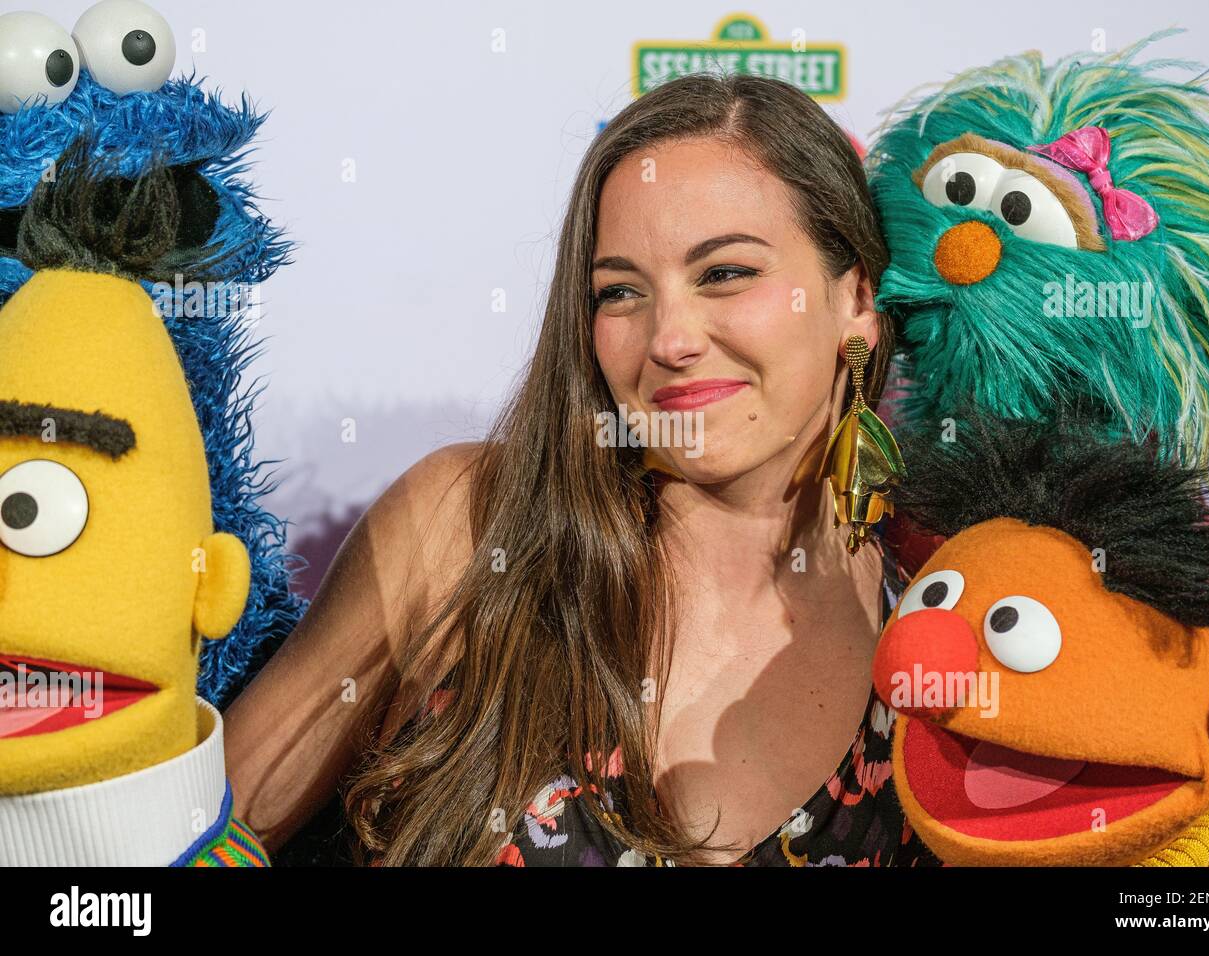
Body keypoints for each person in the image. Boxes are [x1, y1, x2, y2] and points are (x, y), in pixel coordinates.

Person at [224, 71, 937, 867]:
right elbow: (182, 845)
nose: (670, 338)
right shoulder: (466, 525)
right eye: (621, 291)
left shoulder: (942, 616)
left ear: (858, 302)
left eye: (725, 274)